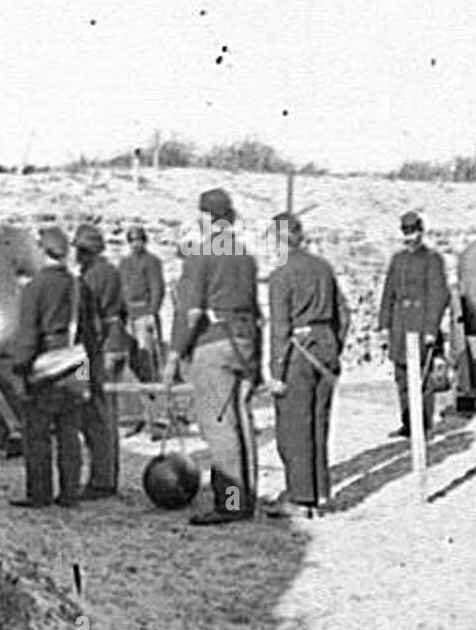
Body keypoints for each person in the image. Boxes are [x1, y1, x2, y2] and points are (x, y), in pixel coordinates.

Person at [163, 187, 262, 525]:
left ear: (205, 218)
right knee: (241, 423)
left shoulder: (202, 255)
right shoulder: (245, 255)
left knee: (219, 428)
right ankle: (246, 499)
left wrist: (174, 355)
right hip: (245, 342)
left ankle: (231, 504)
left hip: (215, 344)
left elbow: (190, 314)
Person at [263, 214, 352, 520]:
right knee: (318, 422)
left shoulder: (281, 276)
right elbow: (344, 312)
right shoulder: (323, 268)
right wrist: (333, 344)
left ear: (279, 241)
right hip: (325, 349)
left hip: (298, 352)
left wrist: (275, 373)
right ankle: (319, 492)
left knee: (294, 427)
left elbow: (280, 329)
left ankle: (300, 498)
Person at [10, 226, 83, 509]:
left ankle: (39, 494)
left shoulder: (35, 288)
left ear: (42, 251)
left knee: (38, 432)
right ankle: (70, 493)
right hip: (75, 358)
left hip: (45, 360)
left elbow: (28, 335)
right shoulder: (77, 284)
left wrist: (20, 368)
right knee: (69, 431)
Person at [378, 211, 450, 438]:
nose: (410, 237)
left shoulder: (432, 259)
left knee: (423, 377)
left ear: (422, 232)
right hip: (400, 325)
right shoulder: (398, 259)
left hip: (421, 324)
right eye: (406, 233)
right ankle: (408, 423)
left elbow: (439, 296)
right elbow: (388, 292)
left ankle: (423, 425)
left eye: (414, 232)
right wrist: (384, 324)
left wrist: (430, 330)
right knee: (402, 376)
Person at [73, 223, 127, 498]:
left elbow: (90, 323)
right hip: (114, 345)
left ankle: (102, 481)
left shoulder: (93, 276)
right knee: (108, 415)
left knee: (98, 416)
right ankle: (108, 476)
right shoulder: (109, 271)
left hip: (101, 350)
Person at [119, 226, 166, 382]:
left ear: (144, 241)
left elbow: (157, 288)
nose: (135, 244)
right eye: (132, 241)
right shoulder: (124, 263)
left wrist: (152, 312)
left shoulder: (152, 261)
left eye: (138, 240)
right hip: (128, 314)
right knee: (131, 354)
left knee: (147, 353)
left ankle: (152, 386)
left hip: (145, 312)